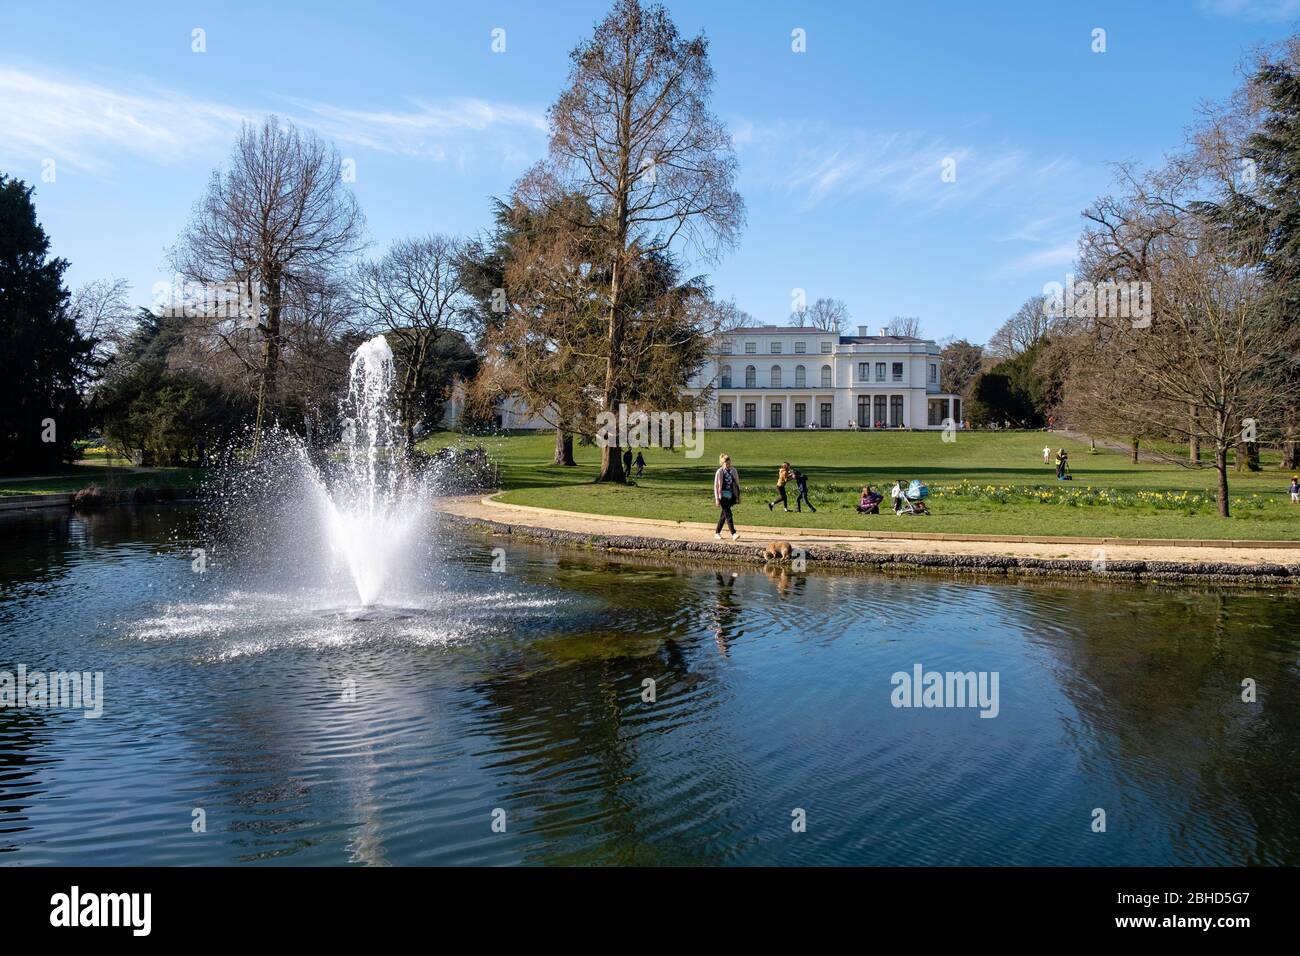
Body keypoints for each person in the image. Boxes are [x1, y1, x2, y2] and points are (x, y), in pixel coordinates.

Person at [713, 453, 741, 541]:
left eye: (729, 463)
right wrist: (717, 498)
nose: (728, 465)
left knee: (724, 515)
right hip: (722, 497)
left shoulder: (734, 470)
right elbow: (716, 486)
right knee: (728, 514)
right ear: (722, 463)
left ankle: (717, 533)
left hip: (731, 496)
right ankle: (733, 533)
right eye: (726, 464)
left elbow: (737, 483)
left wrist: (738, 496)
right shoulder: (719, 471)